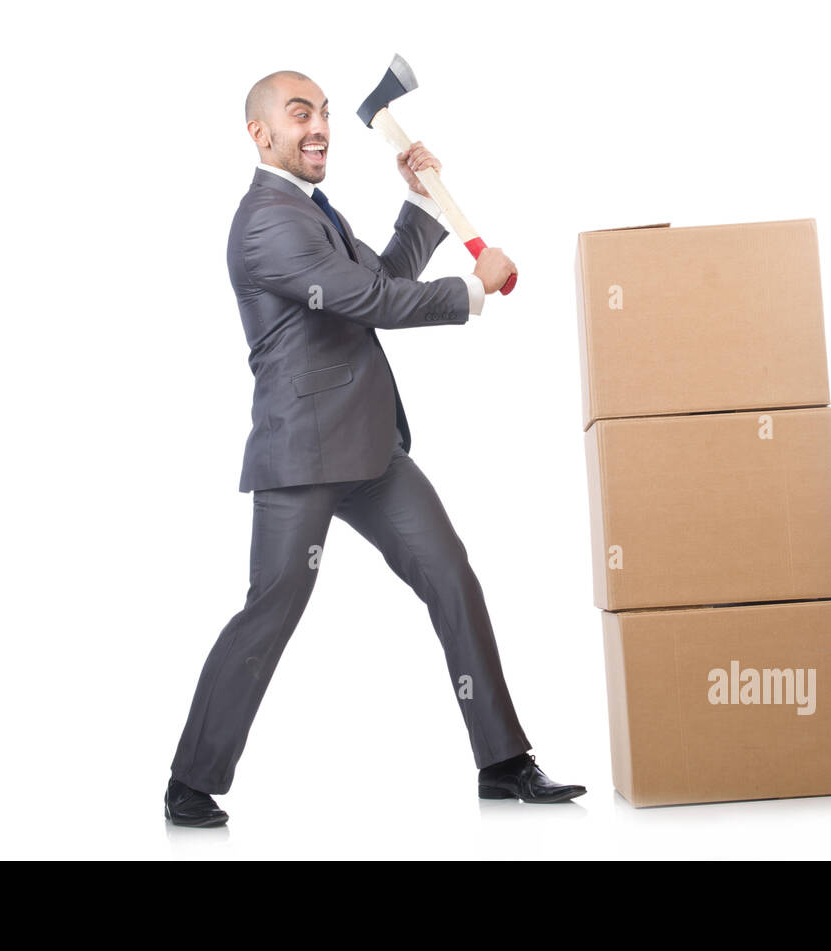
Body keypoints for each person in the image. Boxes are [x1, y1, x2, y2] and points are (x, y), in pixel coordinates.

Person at [163, 69, 586, 826]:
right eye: (301, 115)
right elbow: (372, 302)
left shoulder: (313, 211)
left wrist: (423, 200)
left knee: (450, 573)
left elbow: (380, 276)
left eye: (325, 113)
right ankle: (191, 779)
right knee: (274, 607)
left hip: (369, 446)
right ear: (261, 135)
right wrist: (473, 289)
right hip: (302, 453)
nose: (319, 126)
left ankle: (503, 758)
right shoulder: (267, 220)